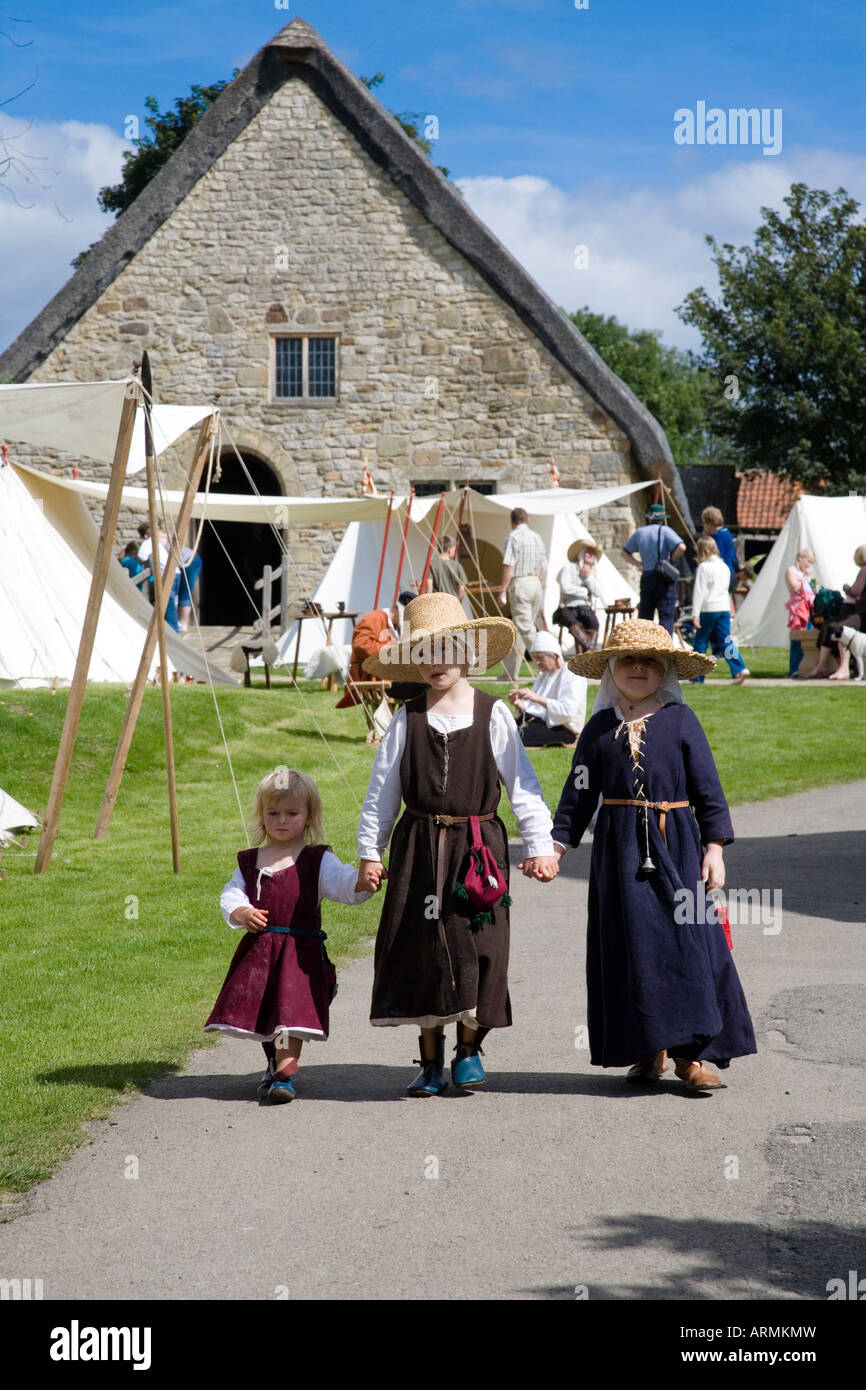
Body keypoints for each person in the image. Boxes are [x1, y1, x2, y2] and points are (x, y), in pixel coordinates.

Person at [356, 593, 559, 1097]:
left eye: (446, 649)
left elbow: (523, 785)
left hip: (478, 852)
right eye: (424, 651)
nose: (436, 661)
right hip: (420, 850)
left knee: (485, 946)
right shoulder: (406, 717)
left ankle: (469, 1047)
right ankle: (430, 1061)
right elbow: (381, 793)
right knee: (426, 951)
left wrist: (540, 845)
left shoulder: (493, 715)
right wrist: (369, 852)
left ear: (468, 652)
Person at [551, 619, 757, 1091]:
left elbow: (708, 790)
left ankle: (693, 1057)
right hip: (619, 853)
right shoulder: (600, 727)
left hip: (678, 845)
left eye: (649, 661)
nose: (638, 667)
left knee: (687, 945)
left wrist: (714, 849)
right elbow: (578, 794)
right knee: (632, 947)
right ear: (610, 669)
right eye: (627, 659)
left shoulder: (681, 720)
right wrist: (556, 846)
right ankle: (647, 1050)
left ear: (665, 670)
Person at [205, 768, 372, 1104]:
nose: (282, 820)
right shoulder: (251, 861)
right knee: (267, 1012)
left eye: (292, 813)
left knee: (290, 1015)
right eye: (273, 813)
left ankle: (285, 1069)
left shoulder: (316, 859)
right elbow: (231, 893)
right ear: (261, 815)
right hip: (262, 951)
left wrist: (363, 882)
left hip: (300, 954)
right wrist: (241, 911)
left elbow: (341, 883)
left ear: (308, 816)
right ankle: (274, 1064)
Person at [335, 590, 423, 706]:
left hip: (389, 679)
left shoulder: (396, 627)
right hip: (373, 681)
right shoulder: (374, 618)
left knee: (427, 682)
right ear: (399, 610)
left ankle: (407, 721)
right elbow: (361, 645)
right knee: (423, 686)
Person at [509, 631, 587, 746]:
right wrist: (520, 704)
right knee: (504, 726)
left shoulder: (573, 674)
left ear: (555, 656)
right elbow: (536, 710)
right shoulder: (543, 675)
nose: (537, 662)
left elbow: (567, 711)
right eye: (535, 658)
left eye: (540, 658)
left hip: (564, 729)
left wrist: (536, 698)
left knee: (515, 735)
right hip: (540, 723)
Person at [689, 537, 750, 684]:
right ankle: (739, 668)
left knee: (701, 641)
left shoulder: (704, 567)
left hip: (709, 608)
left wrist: (695, 613)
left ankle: (697, 676)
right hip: (724, 607)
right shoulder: (724, 566)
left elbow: (699, 591)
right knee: (726, 640)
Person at [498, 507, 548, 681]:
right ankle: (510, 673)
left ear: (512, 522)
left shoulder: (513, 537)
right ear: (527, 520)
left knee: (526, 629)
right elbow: (544, 567)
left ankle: (548, 665)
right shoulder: (537, 537)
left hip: (521, 583)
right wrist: (536, 581)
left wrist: (503, 590)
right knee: (518, 629)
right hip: (536, 583)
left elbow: (509, 565)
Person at [622, 502, 685, 635]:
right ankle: (665, 648)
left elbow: (624, 552)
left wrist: (638, 564)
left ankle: (645, 647)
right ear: (662, 519)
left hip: (647, 576)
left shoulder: (640, 532)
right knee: (666, 616)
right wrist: (670, 560)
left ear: (649, 517)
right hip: (663, 577)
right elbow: (681, 547)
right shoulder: (665, 531)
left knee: (645, 617)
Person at [808, 545, 866, 681]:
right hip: (861, 614)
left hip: (863, 615)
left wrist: (846, 588)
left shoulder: (864, 569)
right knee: (830, 625)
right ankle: (823, 666)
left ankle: (843, 668)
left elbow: (856, 591)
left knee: (839, 628)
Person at [553, 537, 603, 653]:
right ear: (581, 554)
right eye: (588, 552)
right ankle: (591, 650)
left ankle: (588, 652)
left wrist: (588, 577)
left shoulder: (593, 573)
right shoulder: (568, 567)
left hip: (585, 607)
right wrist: (585, 591)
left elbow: (598, 593)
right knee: (569, 618)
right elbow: (565, 587)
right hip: (567, 605)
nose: (590, 555)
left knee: (594, 623)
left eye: (592, 553)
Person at [138, 520, 181, 633]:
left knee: (168, 603)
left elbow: (141, 556)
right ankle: (172, 630)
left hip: (166, 574)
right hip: (176, 573)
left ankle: (173, 631)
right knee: (171, 602)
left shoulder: (148, 543)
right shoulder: (157, 544)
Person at [784, 548, 817, 678]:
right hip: (798, 610)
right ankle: (794, 668)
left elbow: (813, 590)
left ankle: (806, 667)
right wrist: (805, 577)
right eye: (808, 561)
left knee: (808, 639)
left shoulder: (809, 576)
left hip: (810, 609)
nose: (809, 565)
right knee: (797, 639)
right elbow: (795, 586)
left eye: (811, 563)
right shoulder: (791, 571)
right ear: (800, 558)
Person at [701, 507, 739, 594]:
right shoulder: (726, 532)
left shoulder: (717, 537)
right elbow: (734, 558)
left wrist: (705, 538)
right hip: (731, 572)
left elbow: (712, 557)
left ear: (710, 524)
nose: (703, 525)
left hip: (722, 575)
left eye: (704, 523)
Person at [426, 535, 467, 601]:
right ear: (449, 550)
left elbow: (429, 586)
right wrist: (458, 603)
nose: (454, 552)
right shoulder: (457, 566)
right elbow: (462, 589)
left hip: (437, 603)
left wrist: (429, 602)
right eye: (454, 549)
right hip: (452, 604)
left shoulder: (432, 564)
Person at [176, 544, 203, 632]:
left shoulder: (153, 544)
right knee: (184, 594)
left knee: (185, 593)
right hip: (190, 561)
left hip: (189, 563)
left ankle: (182, 622)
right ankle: (181, 622)